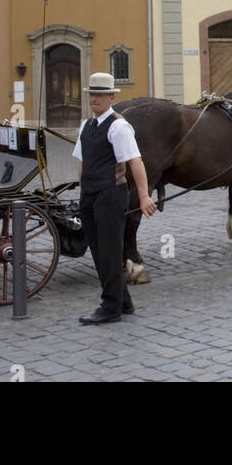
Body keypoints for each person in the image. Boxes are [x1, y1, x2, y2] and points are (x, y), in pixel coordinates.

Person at [72, 72, 156, 325]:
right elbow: (83, 160)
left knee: (109, 252)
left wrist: (143, 196)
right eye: (92, 95)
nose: (94, 99)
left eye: (100, 95)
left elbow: (135, 161)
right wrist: (82, 188)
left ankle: (111, 307)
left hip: (111, 194)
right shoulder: (87, 125)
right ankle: (124, 301)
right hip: (90, 194)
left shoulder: (119, 126)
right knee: (98, 251)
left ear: (110, 97)